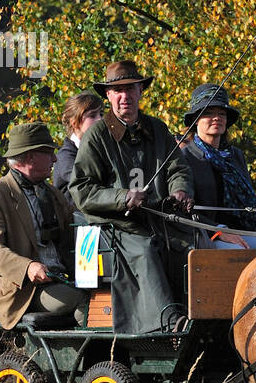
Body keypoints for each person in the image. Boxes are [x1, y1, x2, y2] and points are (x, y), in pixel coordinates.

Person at [68, 59, 194, 333]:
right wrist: (123, 197)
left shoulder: (158, 129)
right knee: (145, 250)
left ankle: (203, 316)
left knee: (195, 244)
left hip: (157, 218)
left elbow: (177, 168)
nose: (125, 96)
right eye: (118, 91)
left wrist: (180, 190)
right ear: (109, 96)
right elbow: (81, 189)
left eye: (130, 89)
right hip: (115, 224)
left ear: (140, 91)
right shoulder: (97, 137)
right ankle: (167, 322)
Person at [0, 122, 89, 329]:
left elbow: (73, 236)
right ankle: (96, 358)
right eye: (48, 152)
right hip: (24, 290)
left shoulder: (53, 194)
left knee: (107, 295)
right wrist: (27, 267)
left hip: (61, 280)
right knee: (86, 302)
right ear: (29, 157)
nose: (55, 159)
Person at [180, 83, 256, 250]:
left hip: (243, 231)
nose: (217, 118)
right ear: (195, 119)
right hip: (205, 235)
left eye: (221, 113)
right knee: (238, 253)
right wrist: (219, 230)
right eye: (208, 113)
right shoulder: (186, 157)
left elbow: (248, 200)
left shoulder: (235, 156)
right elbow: (184, 210)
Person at [54, 89, 103, 203]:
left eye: (101, 114)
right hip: (76, 219)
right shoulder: (65, 156)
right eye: (92, 115)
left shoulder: (100, 149)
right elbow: (86, 187)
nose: (100, 119)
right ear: (74, 122)